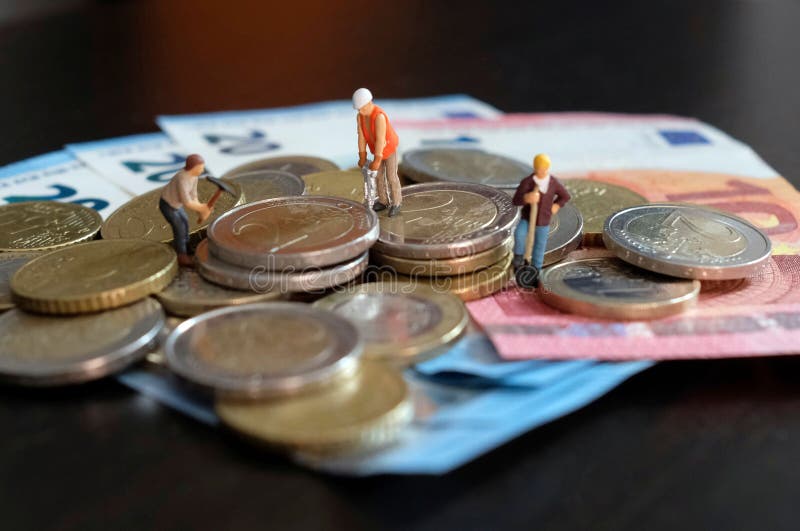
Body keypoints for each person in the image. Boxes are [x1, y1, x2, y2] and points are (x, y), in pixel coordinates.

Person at [512, 153, 571, 272]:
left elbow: (565, 196)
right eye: (538, 169)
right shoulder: (528, 182)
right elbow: (516, 200)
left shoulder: (553, 183)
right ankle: (518, 259)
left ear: (547, 168)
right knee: (519, 234)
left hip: (543, 221)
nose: (541, 171)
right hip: (527, 218)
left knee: (539, 245)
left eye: (543, 169)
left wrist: (556, 205)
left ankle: (535, 269)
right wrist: (526, 198)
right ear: (534, 168)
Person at [353, 88, 402, 217]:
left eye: (362, 108)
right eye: (358, 109)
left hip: (388, 149)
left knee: (391, 176)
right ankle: (383, 201)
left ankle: (396, 203)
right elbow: (361, 136)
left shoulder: (379, 116)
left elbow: (380, 140)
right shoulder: (360, 116)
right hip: (376, 151)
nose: (360, 112)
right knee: (379, 177)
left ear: (369, 103)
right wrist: (362, 155)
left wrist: (377, 160)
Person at [159, 154, 211, 267]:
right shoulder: (182, 178)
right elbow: (186, 201)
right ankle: (181, 256)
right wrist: (202, 208)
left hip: (176, 205)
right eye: (200, 167)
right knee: (179, 228)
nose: (202, 170)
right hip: (168, 205)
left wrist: (200, 210)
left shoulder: (194, 176)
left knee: (185, 222)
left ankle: (186, 247)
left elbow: (193, 196)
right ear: (193, 167)